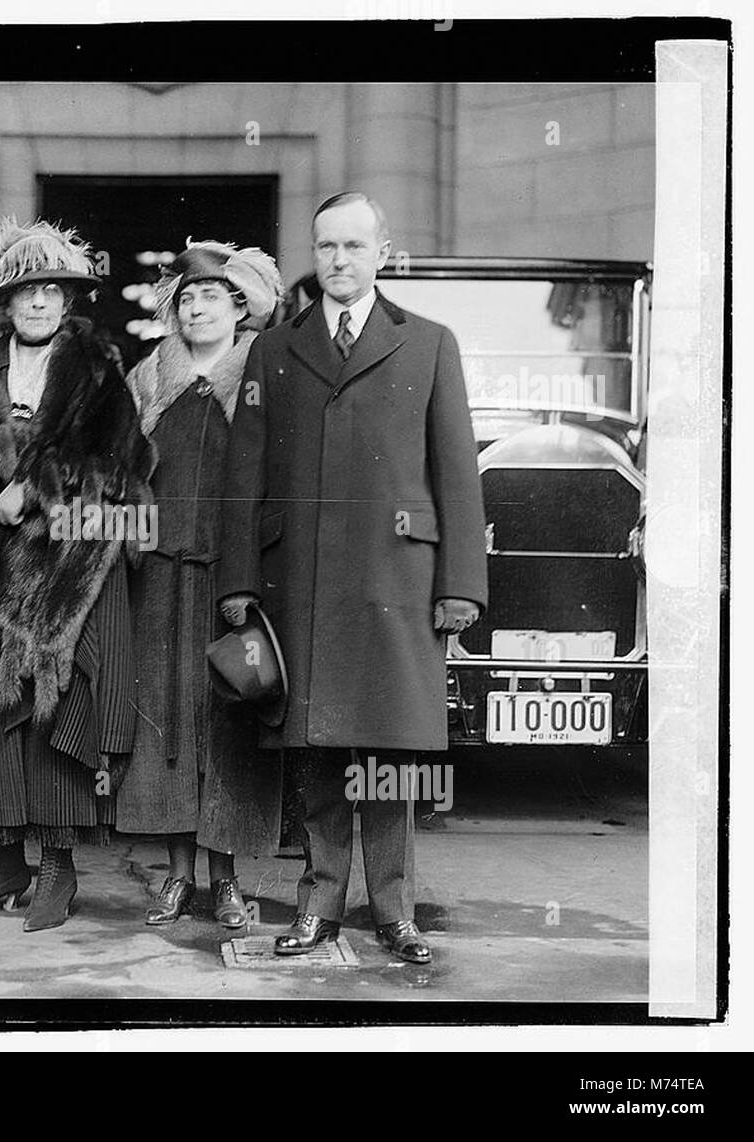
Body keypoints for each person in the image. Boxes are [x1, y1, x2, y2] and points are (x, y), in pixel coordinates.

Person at [218, 192, 488, 964]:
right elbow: (244, 476)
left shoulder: (430, 343)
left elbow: (456, 472)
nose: (339, 260)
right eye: (327, 246)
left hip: (397, 581)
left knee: (391, 755)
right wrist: (238, 581)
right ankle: (320, 906)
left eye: (354, 246)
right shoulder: (276, 350)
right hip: (300, 583)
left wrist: (461, 585)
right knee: (320, 753)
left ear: (383, 253)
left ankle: (396, 912)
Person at [0, 218, 154, 932]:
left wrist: (39, 486)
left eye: (53, 290)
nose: (39, 301)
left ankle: (57, 866)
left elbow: (122, 463)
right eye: (27, 290)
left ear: (69, 300)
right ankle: (2, 863)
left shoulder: (98, 367)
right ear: (5, 298)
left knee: (57, 700)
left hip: (66, 567)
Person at [115, 240, 285, 929]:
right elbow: (119, 476)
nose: (196, 308)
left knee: (229, 728)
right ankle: (179, 877)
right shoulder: (147, 380)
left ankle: (228, 881)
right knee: (166, 730)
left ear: (240, 308)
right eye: (186, 299)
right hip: (158, 583)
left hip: (232, 584)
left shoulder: (263, 378)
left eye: (211, 296)